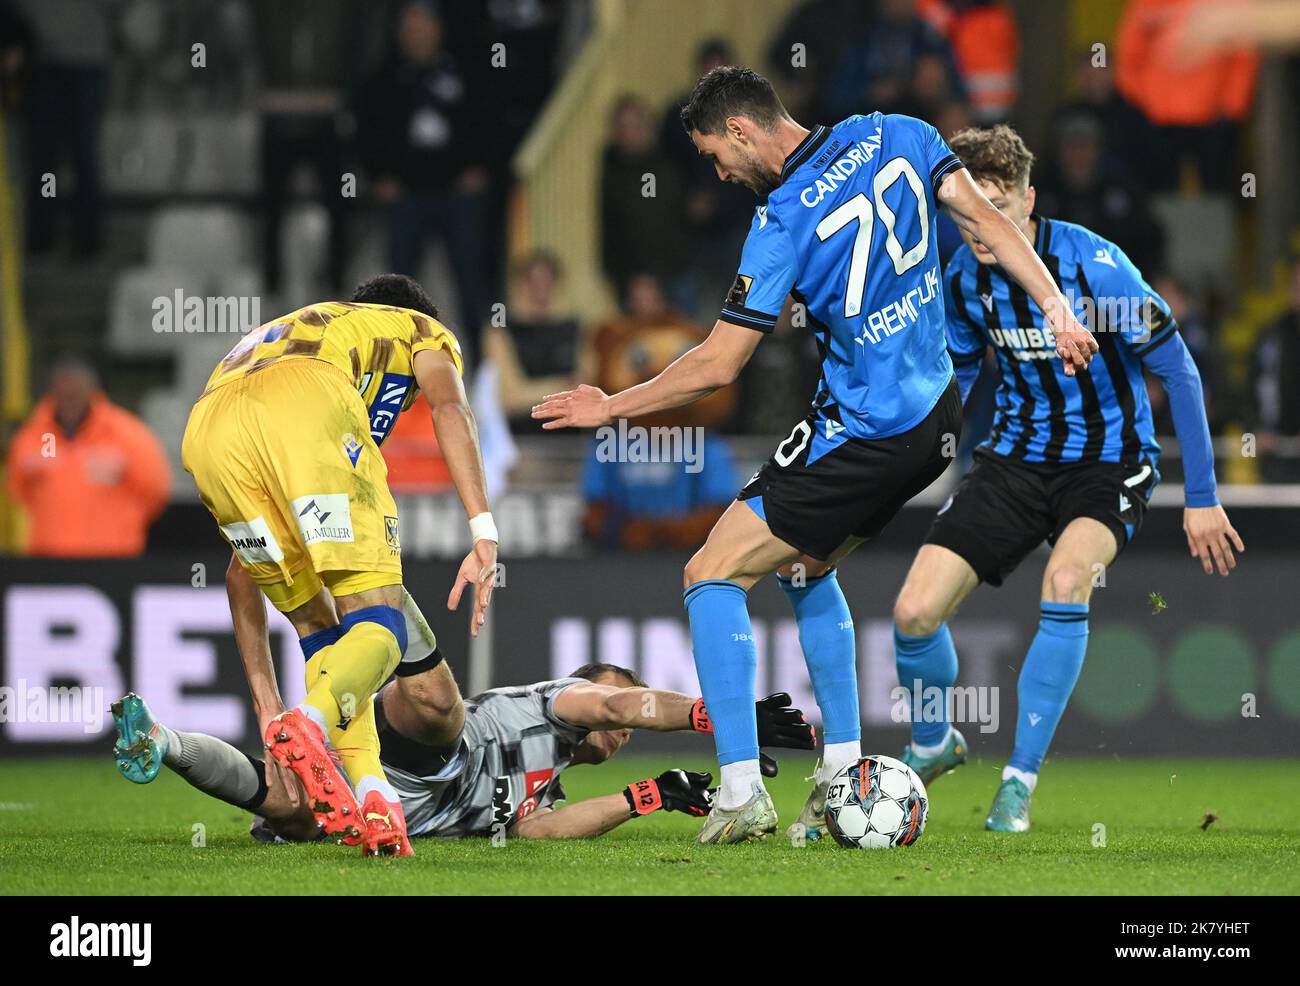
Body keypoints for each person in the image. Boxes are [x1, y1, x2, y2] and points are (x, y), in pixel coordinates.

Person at [533, 66, 1097, 844]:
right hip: (936, 418)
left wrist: (611, 405)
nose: (719, 172)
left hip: (865, 430)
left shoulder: (778, 223)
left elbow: (716, 366)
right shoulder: (900, 132)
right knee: (805, 567)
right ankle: (840, 771)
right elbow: (993, 227)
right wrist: (1058, 308)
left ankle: (738, 788)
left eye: (712, 154)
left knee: (709, 572)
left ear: (739, 130)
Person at [885, 125, 1242, 832]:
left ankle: (1017, 783)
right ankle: (935, 743)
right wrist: (906, 461)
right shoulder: (962, 279)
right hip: (1013, 460)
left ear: (1029, 199)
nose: (982, 228)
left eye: (998, 206)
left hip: (1108, 462)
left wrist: (1202, 497)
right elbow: (957, 379)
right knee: (912, 615)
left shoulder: (1092, 267)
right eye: (967, 211)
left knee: (1067, 578)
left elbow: (1176, 367)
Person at [180, 273, 498, 857]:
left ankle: (376, 796)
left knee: (323, 635)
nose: (401, 407)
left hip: (207, 429)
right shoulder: (417, 326)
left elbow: (237, 577)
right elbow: (450, 402)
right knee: (380, 623)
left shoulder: (297, 331)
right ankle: (310, 721)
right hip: (309, 406)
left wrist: (264, 704)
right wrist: (483, 529)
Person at [111, 651, 815, 842]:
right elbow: (613, 701)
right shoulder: (560, 702)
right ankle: (387, 640)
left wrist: (650, 794)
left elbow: (541, 832)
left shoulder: (552, 781)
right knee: (439, 708)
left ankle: (160, 740)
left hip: (392, 809)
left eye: (626, 737)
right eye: (617, 705)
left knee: (289, 808)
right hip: (439, 751)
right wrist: (712, 716)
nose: (622, 726)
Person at [355, 1, 488, 358]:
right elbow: (363, 130)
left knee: (471, 286)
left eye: (424, 28)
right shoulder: (383, 78)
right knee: (397, 290)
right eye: (409, 29)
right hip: (405, 199)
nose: (417, 36)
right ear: (400, 34)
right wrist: (377, 177)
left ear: (438, 31)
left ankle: (485, 367)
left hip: (455, 196)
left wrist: (480, 167)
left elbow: (488, 121)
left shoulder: (463, 74)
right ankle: (395, 362)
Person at [7, 359, 170, 557]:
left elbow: (155, 492)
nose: (69, 401)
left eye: (75, 395)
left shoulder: (127, 435)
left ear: (92, 392)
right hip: (46, 557)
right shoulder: (31, 437)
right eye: (63, 395)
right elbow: (17, 491)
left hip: (112, 557)